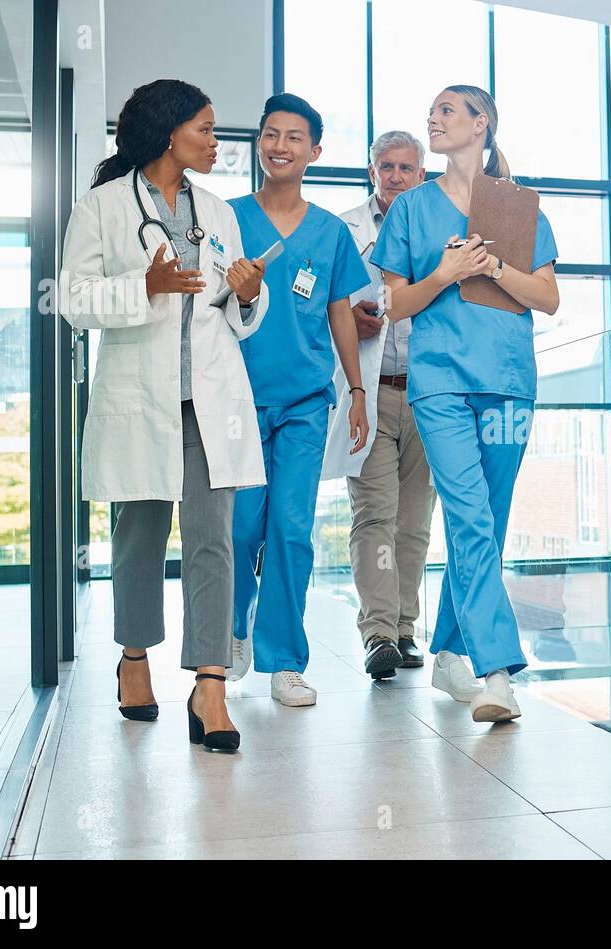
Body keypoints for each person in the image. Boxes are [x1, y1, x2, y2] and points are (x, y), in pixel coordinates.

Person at [59, 79, 267, 752]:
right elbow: (72, 299)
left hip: (210, 401)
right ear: (167, 131)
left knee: (214, 538)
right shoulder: (100, 207)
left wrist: (247, 293)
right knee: (139, 538)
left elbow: (237, 318)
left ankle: (210, 683)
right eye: (205, 129)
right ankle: (134, 657)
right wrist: (142, 286)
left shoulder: (219, 212)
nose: (215, 141)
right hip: (137, 398)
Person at [371, 85, 559, 722]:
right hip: (440, 383)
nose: (434, 117)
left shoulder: (517, 205)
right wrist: (446, 276)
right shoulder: (410, 210)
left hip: (508, 381)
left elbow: (547, 297)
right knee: (471, 519)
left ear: (482, 124)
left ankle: (449, 649)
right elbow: (394, 304)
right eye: (432, 111)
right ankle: (497, 671)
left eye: (448, 110)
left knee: (489, 524)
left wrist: (495, 269)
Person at [226, 93, 371, 706]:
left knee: (291, 528)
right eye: (269, 135)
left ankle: (284, 659)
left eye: (293, 137)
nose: (279, 146)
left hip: (307, 403)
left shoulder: (331, 232)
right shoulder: (227, 217)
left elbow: (341, 312)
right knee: (236, 529)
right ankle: (232, 636)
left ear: (314, 151)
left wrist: (357, 389)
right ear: (258, 143)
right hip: (234, 399)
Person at [323, 130, 435, 681]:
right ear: (371, 171)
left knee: (414, 523)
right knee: (375, 516)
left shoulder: (441, 228)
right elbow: (322, 305)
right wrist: (344, 316)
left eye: (406, 168)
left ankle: (407, 629)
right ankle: (379, 635)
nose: (395, 175)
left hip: (428, 395)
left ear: (422, 174)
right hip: (369, 392)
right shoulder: (343, 230)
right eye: (385, 166)